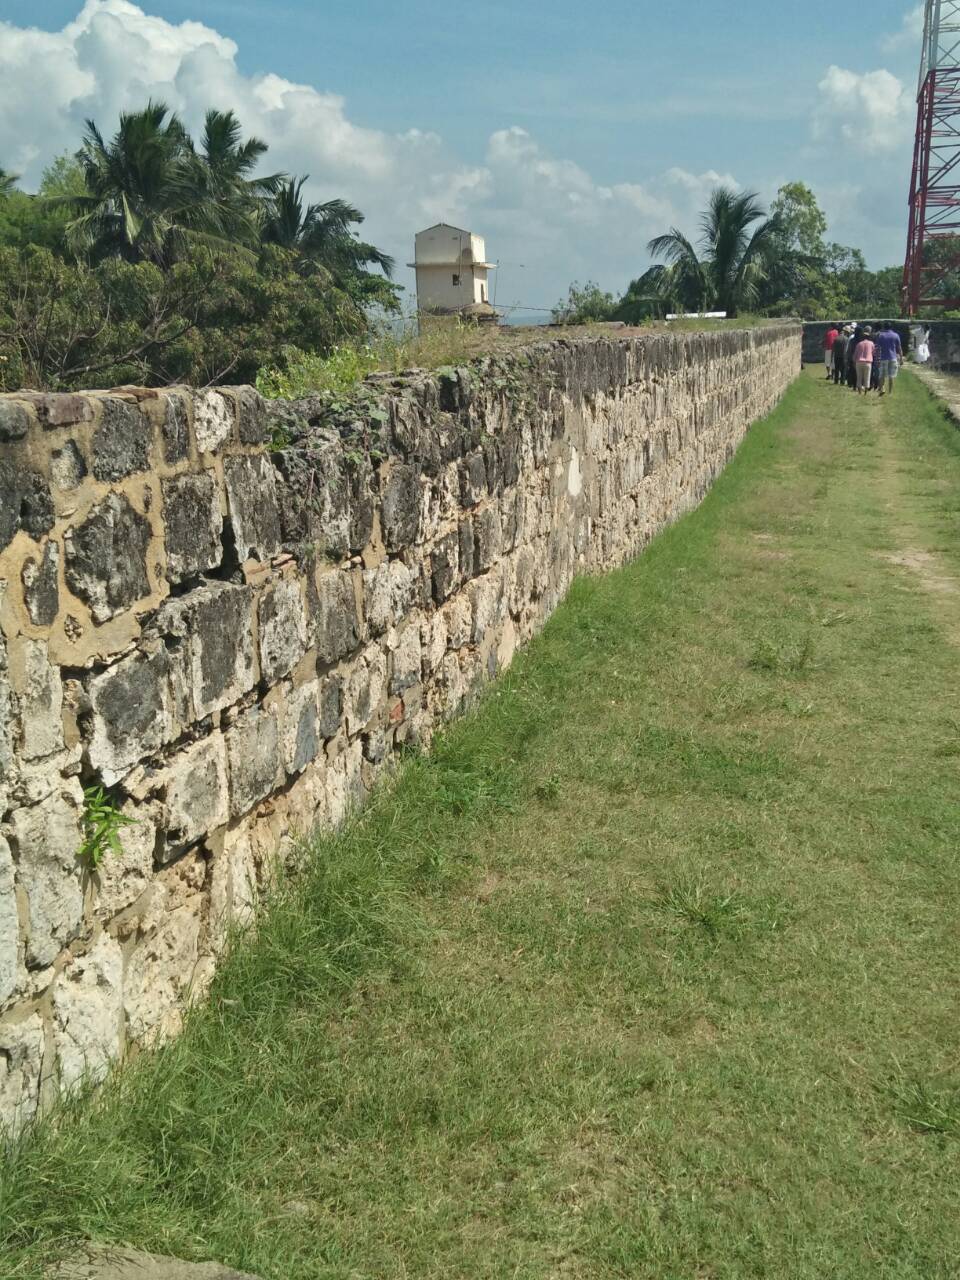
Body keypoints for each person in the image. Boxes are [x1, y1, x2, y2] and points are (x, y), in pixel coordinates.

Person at [875, 322, 903, 396]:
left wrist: (877, 359)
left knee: (881, 375)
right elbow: (899, 348)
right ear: (891, 327)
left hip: (883, 357)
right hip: (893, 357)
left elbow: (877, 348)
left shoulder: (881, 336)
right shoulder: (896, 335)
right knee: (891, 376)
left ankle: (882, 389)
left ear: (884, 327)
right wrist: (901, 358)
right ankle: (890, 393)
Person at [853, 327, 875, 395]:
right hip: (868, 362)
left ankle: (859, 391)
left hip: (859, 362)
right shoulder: (871, 343)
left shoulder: (859, 344)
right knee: (867, 377)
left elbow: (855, 354)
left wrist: (854, 362)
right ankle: (865, 392)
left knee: (859, 377)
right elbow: (873, 353)